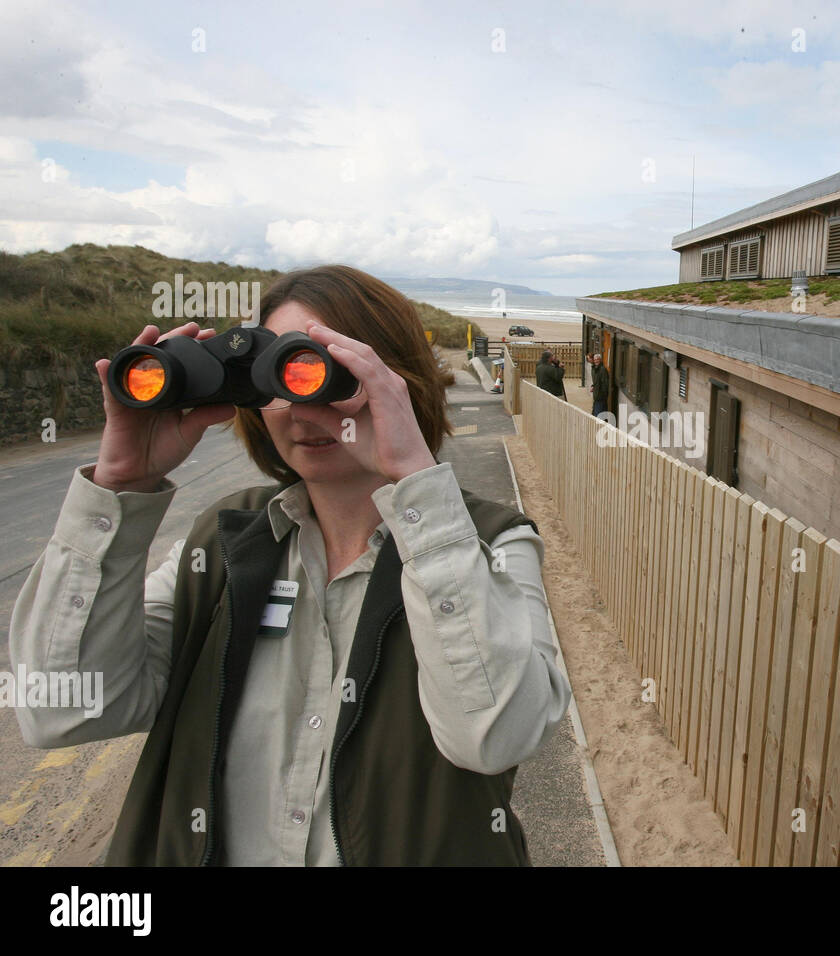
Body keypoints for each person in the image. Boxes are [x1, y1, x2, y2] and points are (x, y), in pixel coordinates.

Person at [8, 265, 571, 866]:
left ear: (398, 386)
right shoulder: (219, 548)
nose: (305, 406)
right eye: (280, 375)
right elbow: (62, 710)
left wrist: (414, 481)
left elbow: (496, 736)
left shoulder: (493, 545)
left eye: (324, 371)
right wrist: (122, 485)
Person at [589, 351, 610, 420]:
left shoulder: (602, 370)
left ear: (600, 360)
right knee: (599, 413)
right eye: (595, 360)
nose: (596, 361)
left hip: (600, 396)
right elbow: (596, 382)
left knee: (598, 414)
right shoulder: (594, 369)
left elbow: (605, 383)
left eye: (597, 359)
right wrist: (593, 386)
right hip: (596, 395)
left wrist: (603, 394)